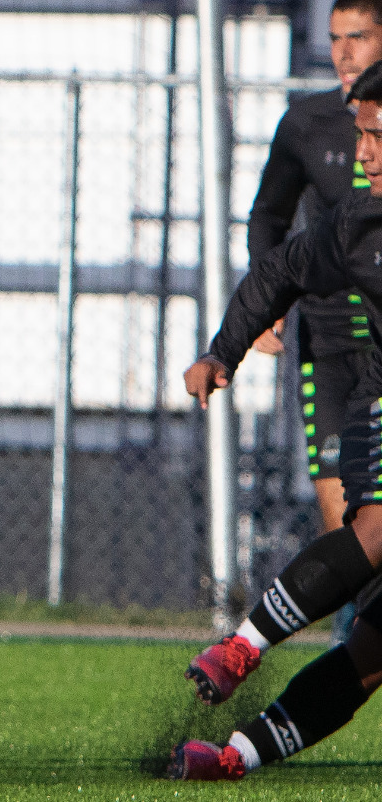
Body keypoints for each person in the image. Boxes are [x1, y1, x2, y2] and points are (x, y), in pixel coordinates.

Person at [168, 59, 382, 779]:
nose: (364, 156)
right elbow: (278, 271)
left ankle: (235, 755)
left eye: (378, 137)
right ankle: (242, 648)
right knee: (378, 528)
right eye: (360, 137)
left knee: (375, 652)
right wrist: (223, 351)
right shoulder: (359, 226)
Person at [244, 0, 382, 646]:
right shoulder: (305, 122)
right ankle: (353, 642)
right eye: (335, 37)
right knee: (346, 523)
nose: (343, 51)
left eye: (359, 36)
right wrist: (266, 304)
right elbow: (268, 216)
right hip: (328, 350)